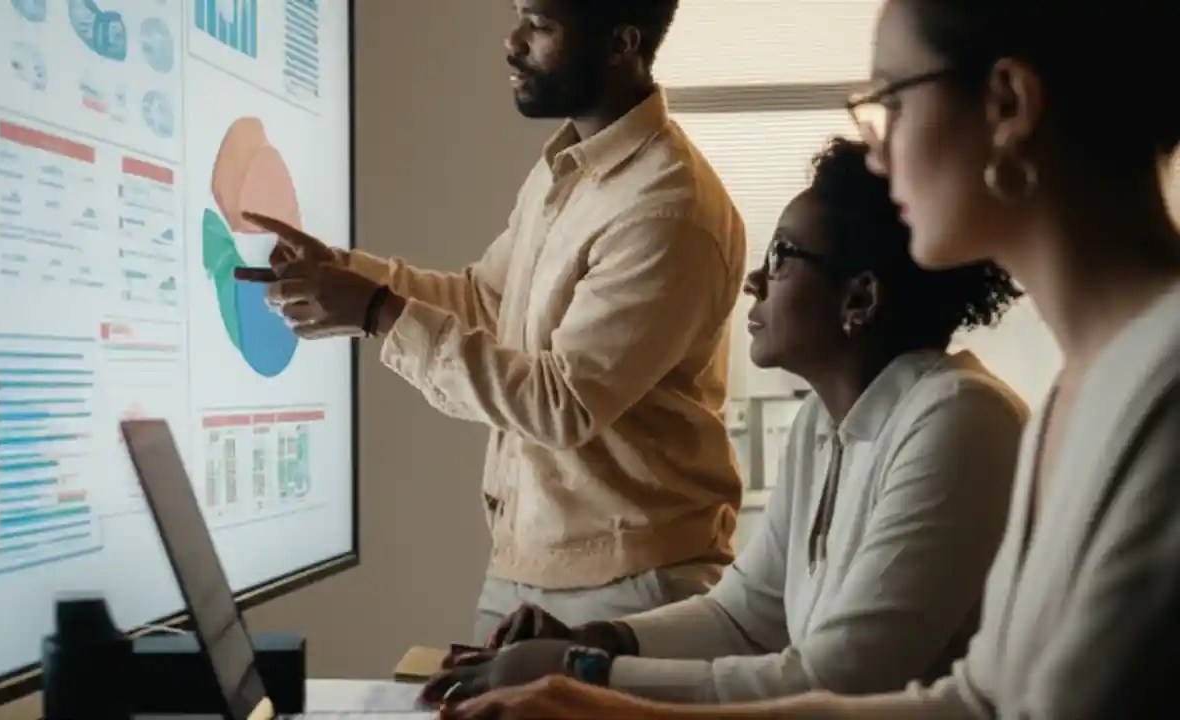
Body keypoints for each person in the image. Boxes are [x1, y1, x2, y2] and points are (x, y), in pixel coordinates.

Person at [436, 1, 1180, 718]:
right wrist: (594, 656)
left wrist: (600, 684)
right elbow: (978, 702)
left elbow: (865, 679)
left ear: (1009, 104)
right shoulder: (1076, 390)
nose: (879, 152)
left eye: (892, 99)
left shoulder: (1145, 386)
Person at [423, 136, 1029, 706]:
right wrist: (599, 639)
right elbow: (744, 615)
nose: (753, 281)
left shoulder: (959, 422)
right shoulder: (823, 422)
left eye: (783, 256)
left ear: (860, 300)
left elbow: (842, 678)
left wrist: (583, 672)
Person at [239, 0, 748, 639]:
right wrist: (347, 274)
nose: (512, 43)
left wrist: (375, 312)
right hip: (527, 569)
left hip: (633, 589)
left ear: (620, 43)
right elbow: (486, 301)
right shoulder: (565, 169)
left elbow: (561, 404)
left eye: (539, 24)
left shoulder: (668, 208)